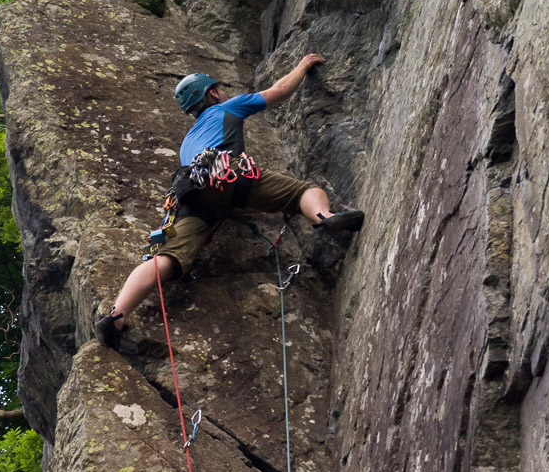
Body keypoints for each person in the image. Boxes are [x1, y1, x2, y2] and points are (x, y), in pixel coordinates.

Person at [95, 54, 364, 349]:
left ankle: (117, 316)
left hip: (191, 193)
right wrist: (302, 66)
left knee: (167, 258)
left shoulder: (186, 143)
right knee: (303, 191)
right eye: (218, 89)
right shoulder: (227, 107)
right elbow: (280, 91)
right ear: (212, 93)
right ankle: (324, 217)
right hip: (227, 174)